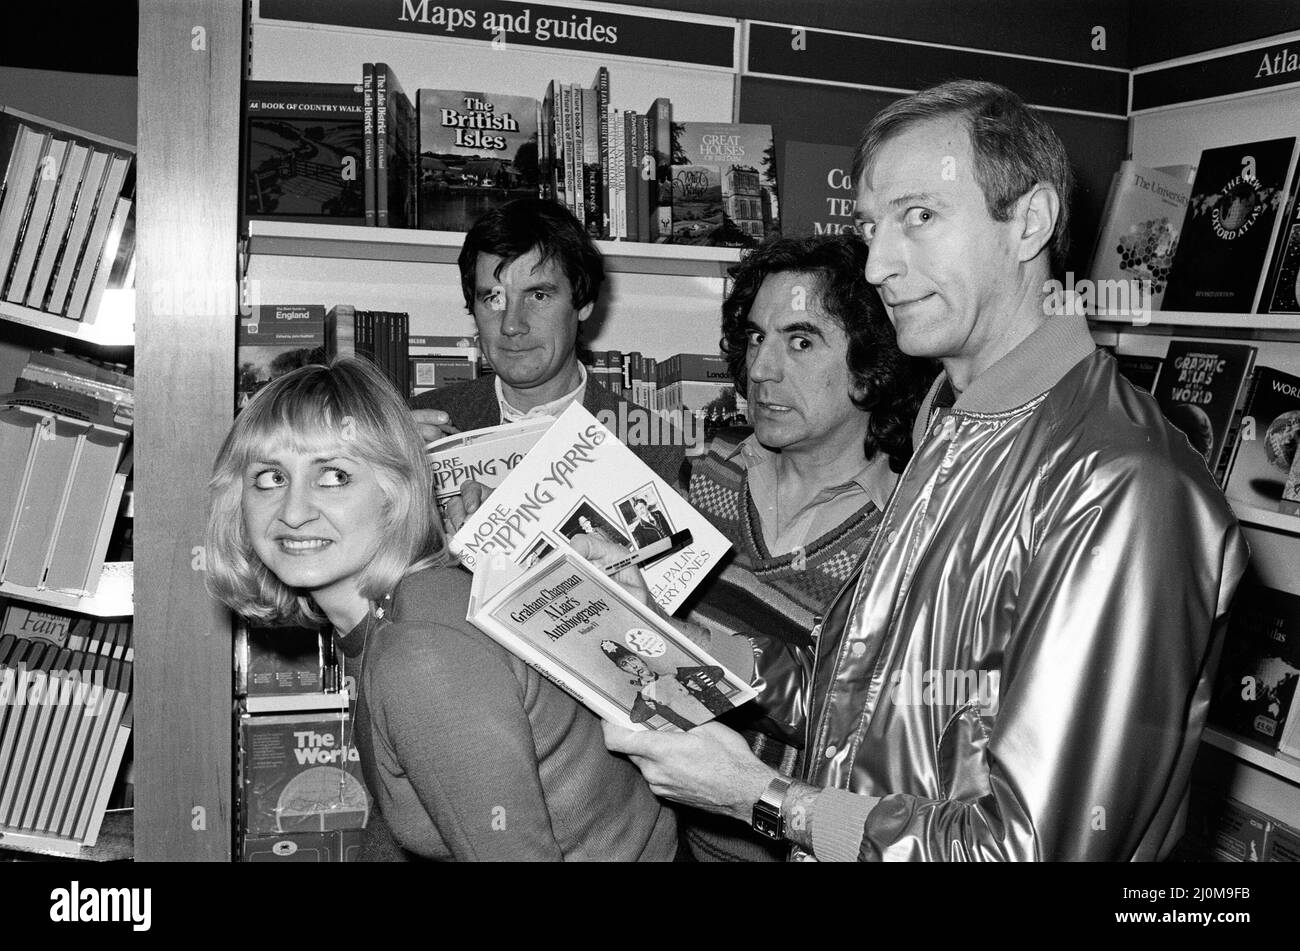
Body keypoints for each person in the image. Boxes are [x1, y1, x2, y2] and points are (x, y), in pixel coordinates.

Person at [603, 79, 1250, 862]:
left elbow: (1027, 850)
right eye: (872, 227)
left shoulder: (1120, 483)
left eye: (920, 217)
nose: (876, 264)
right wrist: (674, 632)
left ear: (1031, 222)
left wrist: (767, 799)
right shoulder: (951, 425)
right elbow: (853, 699)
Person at [205, 356, 679, 861]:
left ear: (395, 493)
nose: (294, 512)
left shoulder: (421, 650)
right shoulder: (398, 608)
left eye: (334, 476)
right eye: (271, 478)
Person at [679, 233, 934, 861]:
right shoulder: (703, 473)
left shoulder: (905, 537)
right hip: (656, 831)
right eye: (757, 338)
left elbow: (866, 725)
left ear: (873, 363)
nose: (762, 370)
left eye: (800, 340)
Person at [409, 198, 686, 531]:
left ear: (582, 303)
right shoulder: (412, 430)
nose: (512, 324)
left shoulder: (653, 446)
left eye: (538, 296)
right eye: (493, 298)